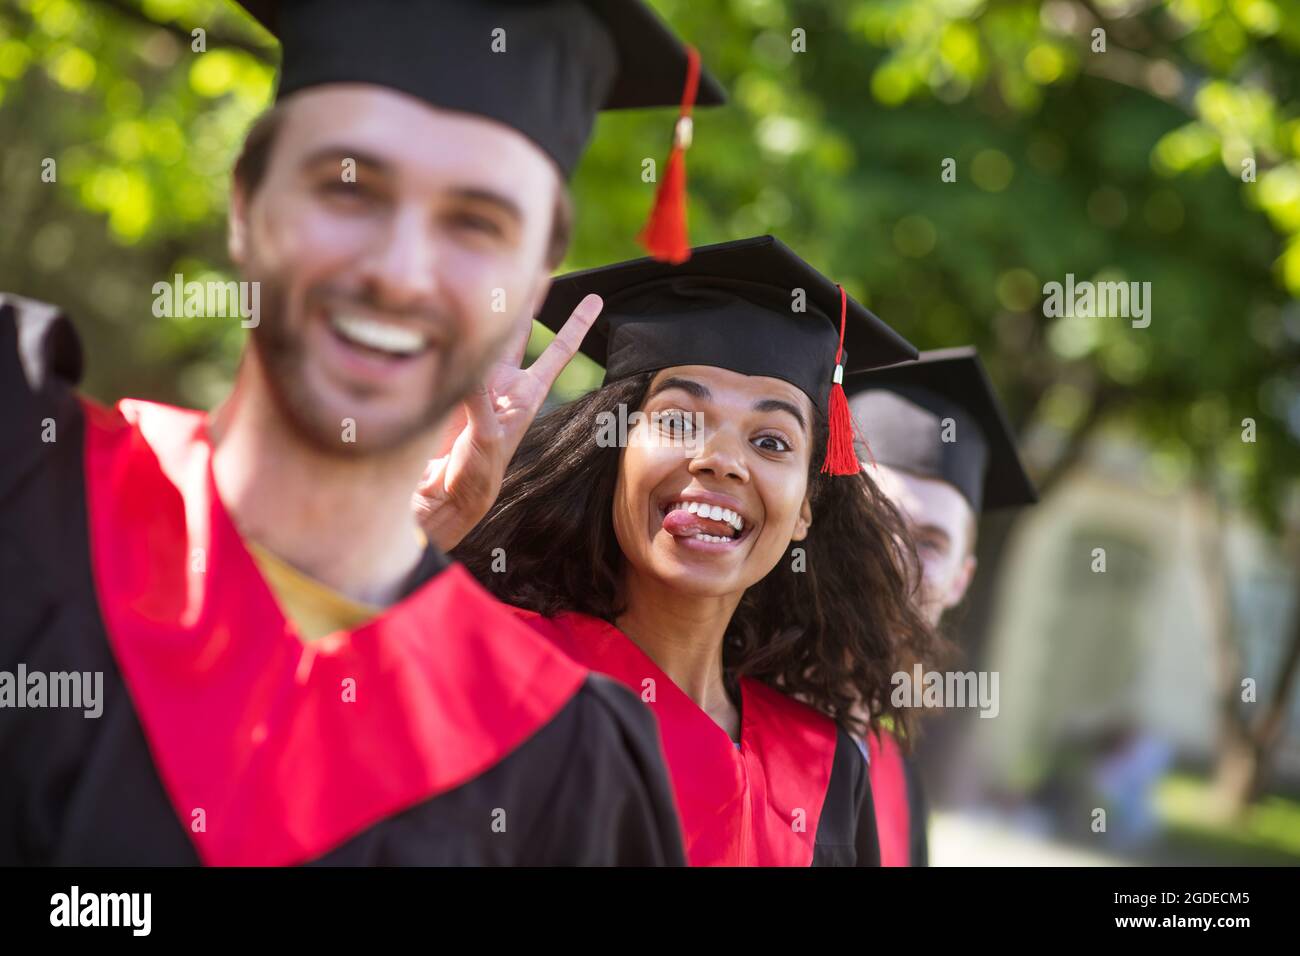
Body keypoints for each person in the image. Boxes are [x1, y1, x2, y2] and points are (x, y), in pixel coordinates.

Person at [0, 0, 724, 866]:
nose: (398, 271)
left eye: (475, 223)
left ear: (533, 286)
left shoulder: (565, 774)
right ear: (245, 202)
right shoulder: (25, 492)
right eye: (349, 186)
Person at [428, 235, 942, 865]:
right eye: (677, 420)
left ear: (806, 508)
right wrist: (433, 525)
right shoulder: (495, 665)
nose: (721, 460)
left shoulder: (825, 766)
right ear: (614, 454)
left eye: (773, 442)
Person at [844, 346, 1038, 866]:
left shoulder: (898, 782)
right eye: (876, 522)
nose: (898, 559)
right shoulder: (730, 725)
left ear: (960, 580)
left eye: (930, 541)